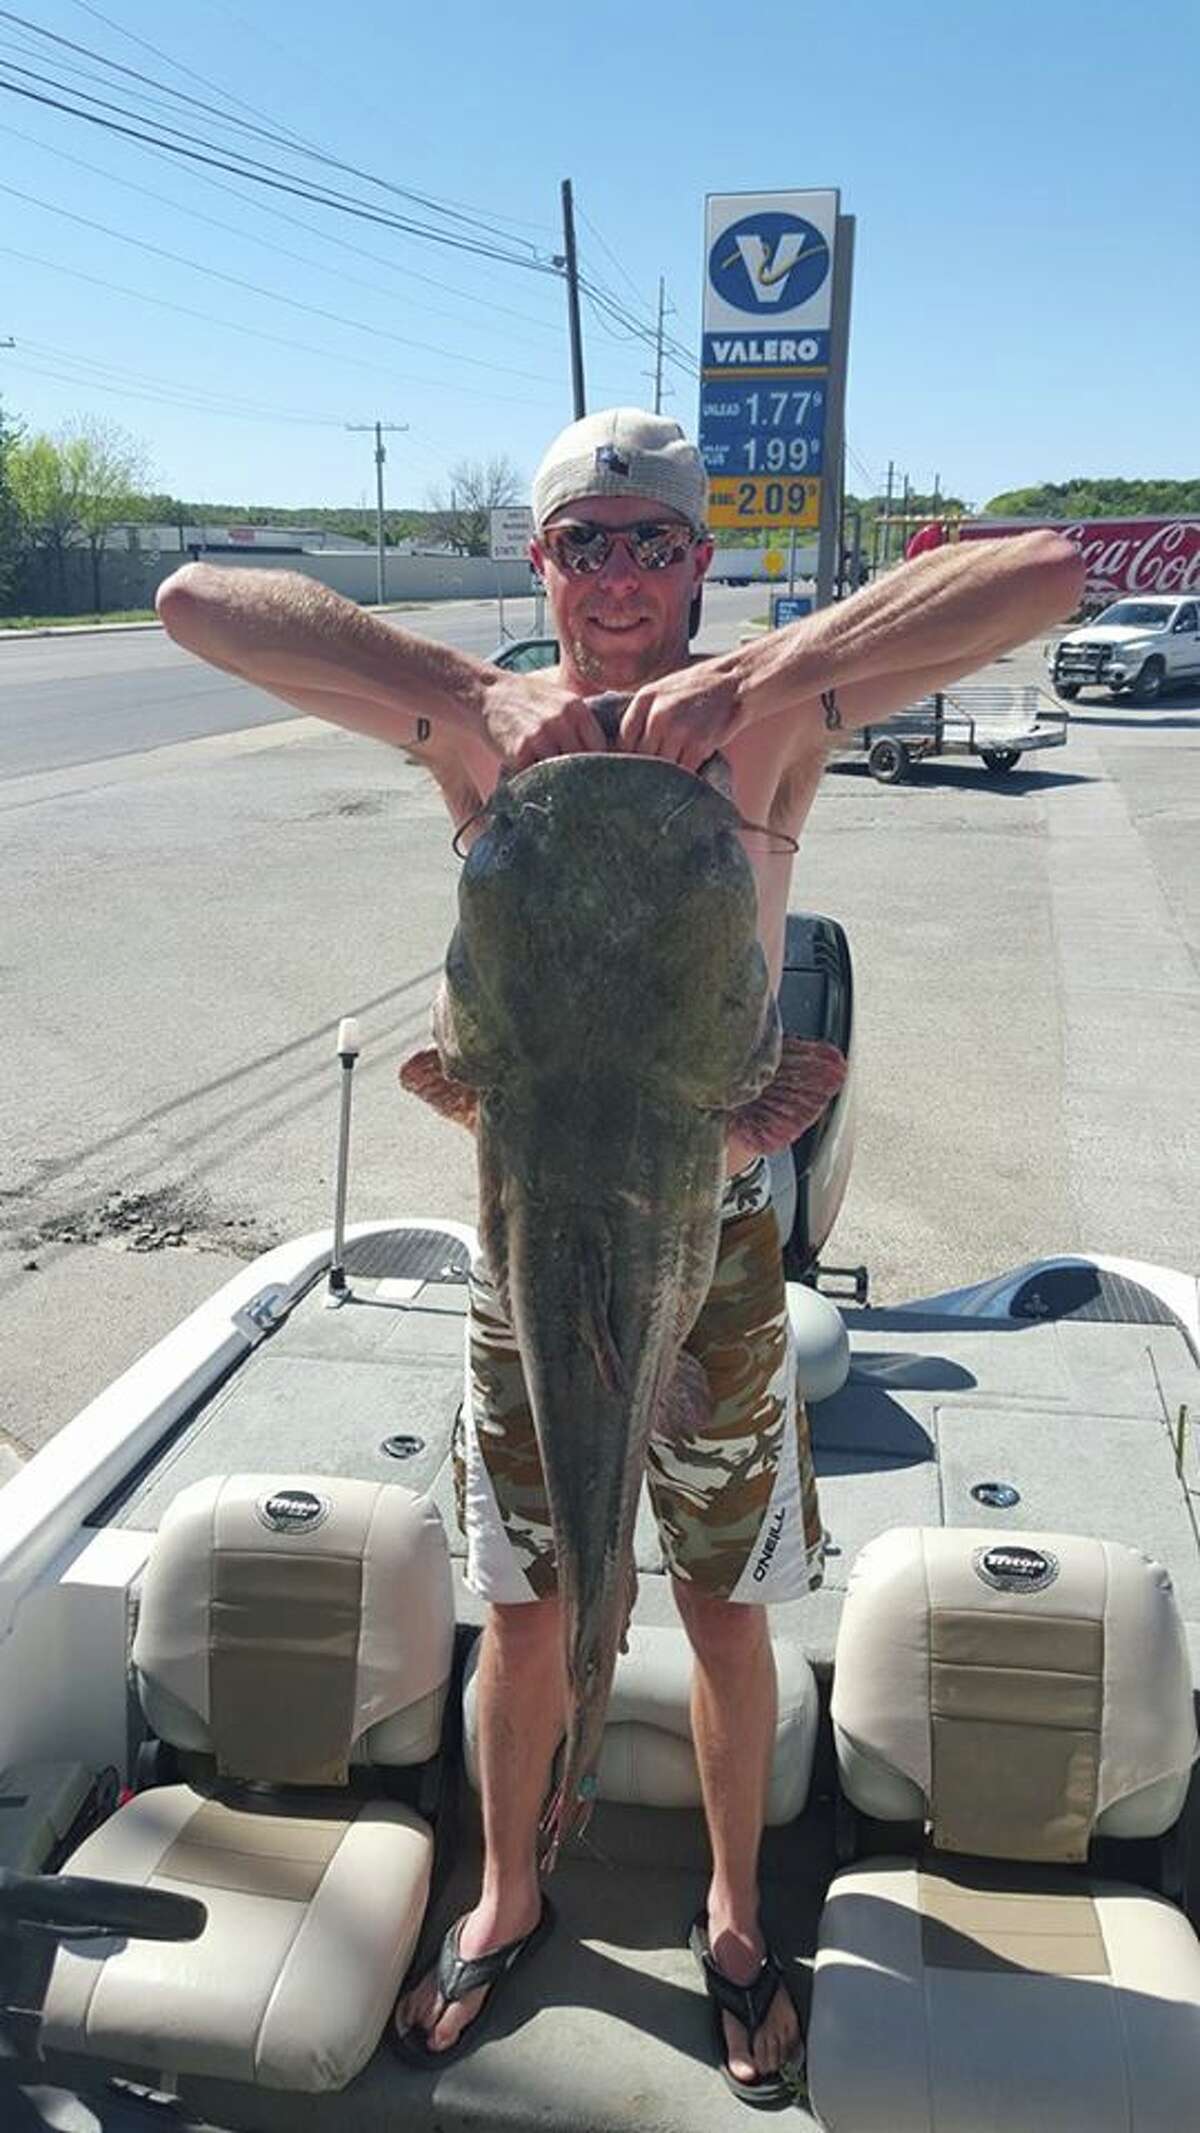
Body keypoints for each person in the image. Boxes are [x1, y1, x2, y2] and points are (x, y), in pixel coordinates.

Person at [156, 410, 1083, 2100]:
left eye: (658, 541)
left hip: (715, 1247)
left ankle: (734, 1918)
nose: (625, 574)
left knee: (727, 1614)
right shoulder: (473, 735)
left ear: (700, 562)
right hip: (525, 1246)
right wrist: (473, 687)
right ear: (546, 563)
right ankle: (513, 1884)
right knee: (528, 1607)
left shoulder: (776, 720)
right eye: (591, 541)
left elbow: (1046, 571)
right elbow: (196, 604)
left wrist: (763, 671)